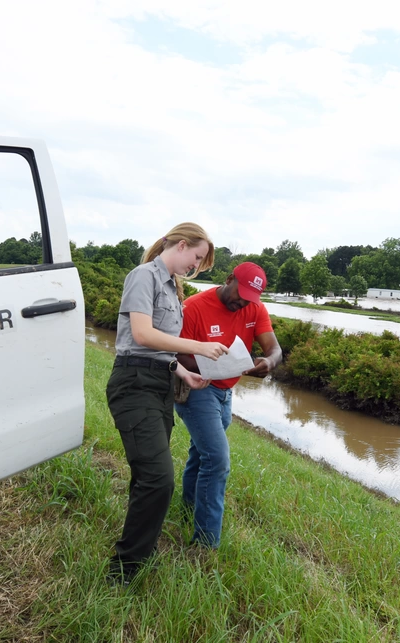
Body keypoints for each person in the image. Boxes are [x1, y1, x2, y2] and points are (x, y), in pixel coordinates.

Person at [105, 222, 228, 585]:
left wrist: (181, 371)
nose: (195, 265)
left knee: (148, 476)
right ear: (182, 244)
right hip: (133, 384)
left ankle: (139, 551)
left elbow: (158, 350)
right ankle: (124, 570)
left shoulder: (173, 288)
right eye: (196, 257)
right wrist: (199, 348)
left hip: (160, 384)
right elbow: (141, 335)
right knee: (159, 479)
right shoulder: (143, 276)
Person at [175, 261, 283, 548]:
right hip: (197, 388)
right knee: (218, 460)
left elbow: (274, 349)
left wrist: (268, 362)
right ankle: (206, 545)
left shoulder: (255, 309)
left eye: (250, 298)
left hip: (225, 392)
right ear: (229, 279)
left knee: (201, 456)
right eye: (241, 293)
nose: (243, 301)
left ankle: (186, 510)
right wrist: (213, 362)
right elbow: (176, 353)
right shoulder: (195, 307)